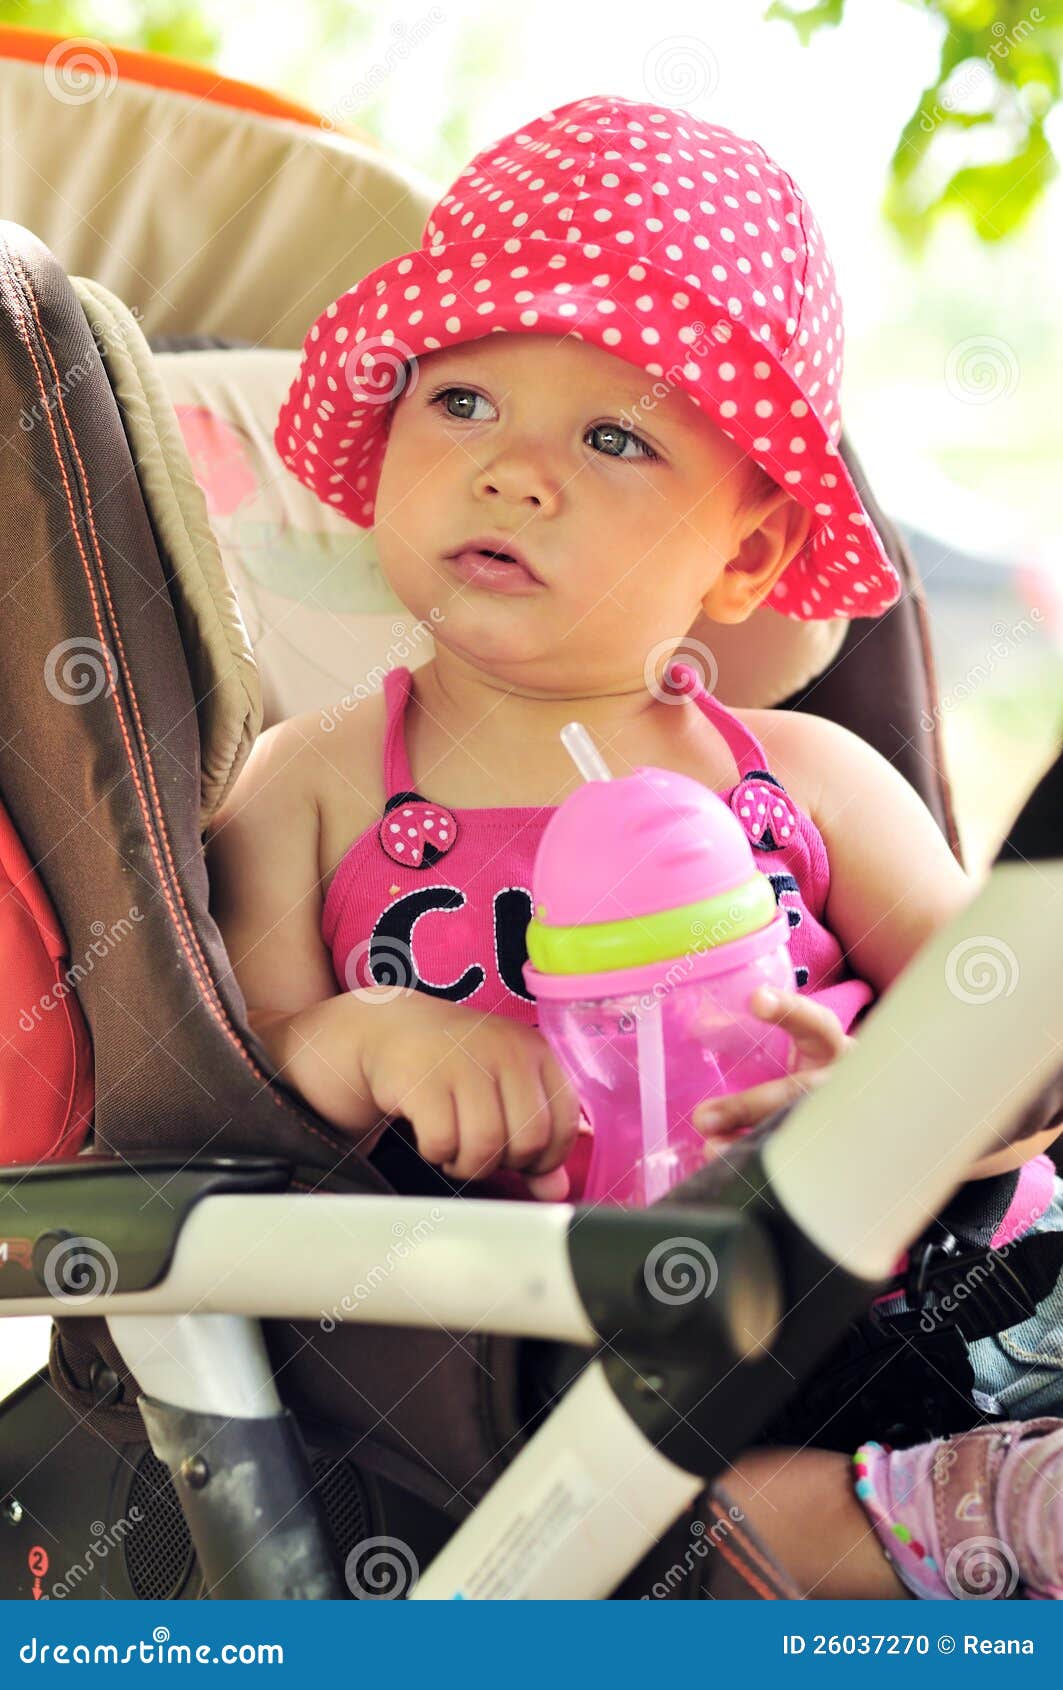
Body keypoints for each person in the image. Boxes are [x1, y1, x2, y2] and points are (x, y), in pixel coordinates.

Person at [205, 94, 1063, 1598]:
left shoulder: (805, 774)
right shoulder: (313, 783)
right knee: (697, 1520)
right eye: (461, 400)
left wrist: (888, 1099)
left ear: (746, 553)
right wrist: (375, 1032)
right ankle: (964, 1516)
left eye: (612, 436)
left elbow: (1023, 1041)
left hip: (909, 1278)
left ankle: (989, 1485)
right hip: (576, 1376)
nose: (514, 469)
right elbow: (236, 1081)